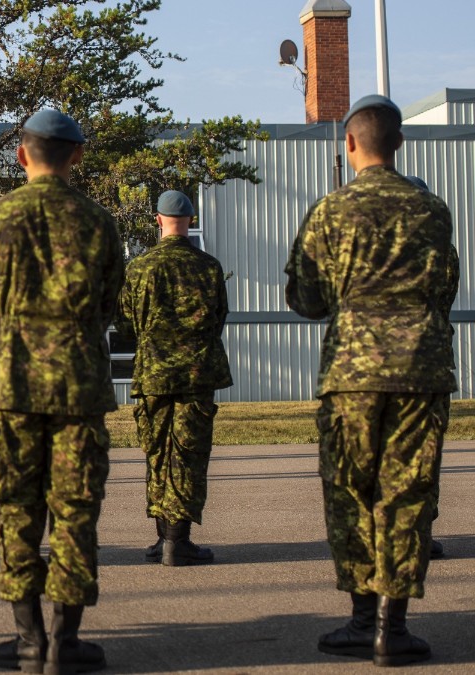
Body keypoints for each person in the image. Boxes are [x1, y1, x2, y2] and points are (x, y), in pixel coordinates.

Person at [286, 95, 456, 668]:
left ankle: (362, 619)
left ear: (350, 144)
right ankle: (393, 626)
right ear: (400, 143)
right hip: (420, 366)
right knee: (406, 493)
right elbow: (446, 288)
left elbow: (305, 299)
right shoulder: (433, 211)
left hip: (352, 373)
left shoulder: (330, 212)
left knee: (350, 489)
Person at [0, 109, 123, 674]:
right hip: (79, 387)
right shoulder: (99, 222)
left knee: (17, 508)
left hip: (14, 385)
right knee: (76, 510)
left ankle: (28, 637)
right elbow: (108, 308)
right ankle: (66, 640)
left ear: (20, 155)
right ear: (76, 156)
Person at [115, 190, 232, 567]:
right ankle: (176, 540)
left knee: (158, 451)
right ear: (191, 220)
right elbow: (218, 318)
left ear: (157, 219)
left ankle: (163, 537)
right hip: (196, 374)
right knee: (188, 454)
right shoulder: (208, 267)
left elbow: (125, 325)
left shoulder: (138, 268)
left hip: (153, 372)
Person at [404, 175, 446, 563]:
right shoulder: (442, 249)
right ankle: (421, 531)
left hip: (390, 362)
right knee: (427, 450)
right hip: (431, 361)